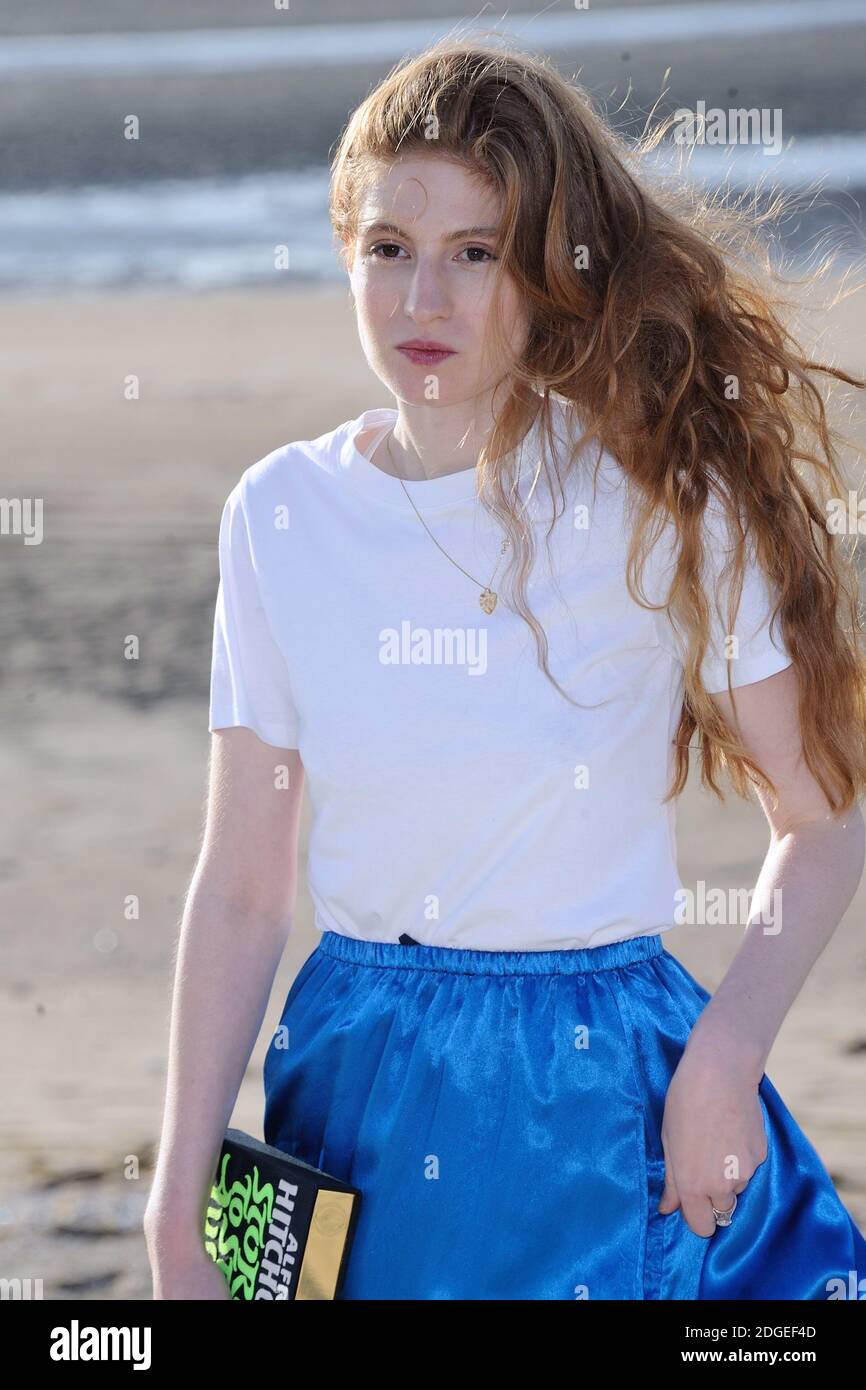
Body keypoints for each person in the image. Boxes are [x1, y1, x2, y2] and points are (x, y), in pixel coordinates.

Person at [145, 41, 866, 1300]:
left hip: (603, 1094)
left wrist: (725, 1053)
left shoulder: (661, 496)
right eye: (387, 249)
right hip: (350, 1078)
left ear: (548, 268)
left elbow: (822, 815)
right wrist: (177, 1192)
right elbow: (244, 891)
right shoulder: (279, 514)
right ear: (342, 252)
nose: (425, 298)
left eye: (475, 253)